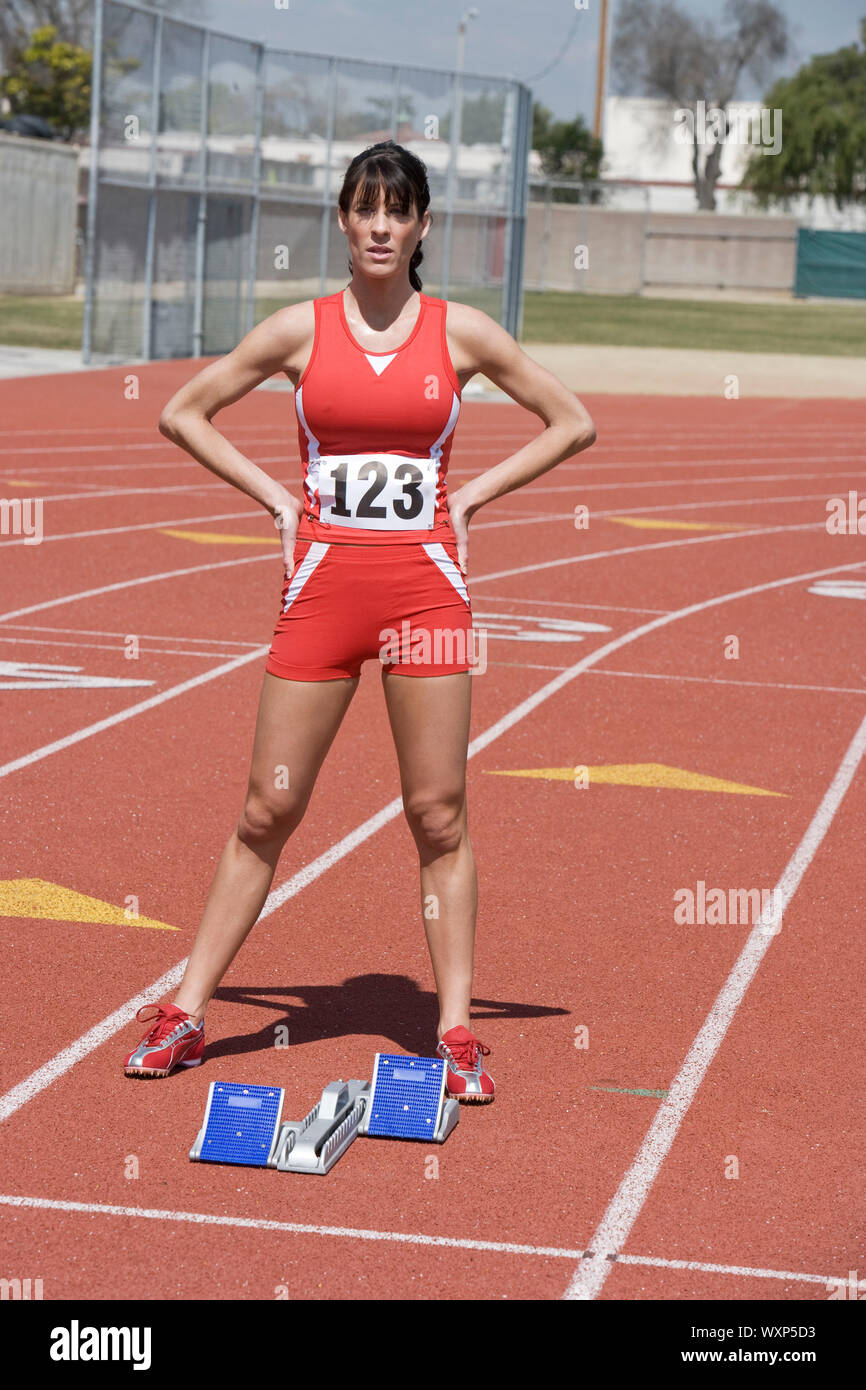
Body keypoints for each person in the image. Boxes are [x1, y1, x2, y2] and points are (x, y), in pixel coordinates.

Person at [123, 140, 596, 1101]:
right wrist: (274, 501)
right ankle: (187, 1010)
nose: (381, 225)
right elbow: (184, 412)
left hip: (427, 596)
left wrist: (470, 502)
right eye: (364, 208)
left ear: (423, 226)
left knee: (439, 812)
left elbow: (571, 420)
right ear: (341, 222)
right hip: (323, 593)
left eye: (399, 209)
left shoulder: (461, 334)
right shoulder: (299, 332)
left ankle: (456, 1030)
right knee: (267, 809)